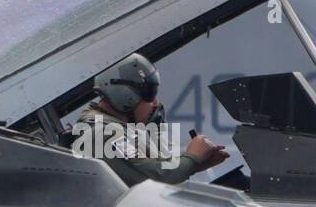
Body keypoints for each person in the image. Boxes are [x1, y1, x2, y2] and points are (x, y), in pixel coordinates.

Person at [73, 53, 228, 185]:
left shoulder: (114, 127)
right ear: (125, 95)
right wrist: (192, 158)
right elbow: (158, 180)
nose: (156, 103)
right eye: (150, 94)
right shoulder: (103, 134)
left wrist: (195, 164)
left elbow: (150, 170)